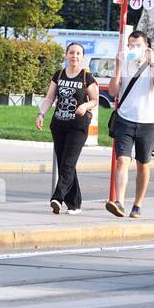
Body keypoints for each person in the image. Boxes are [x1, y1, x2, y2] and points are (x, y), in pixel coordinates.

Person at [106, 30, 154, 218]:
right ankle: (119, 202)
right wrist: (117, 68)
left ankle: (137, 205)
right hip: (125, 119)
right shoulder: (124, 63)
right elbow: (112, 91)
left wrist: (151, 63)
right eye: (131, 45)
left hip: (148, 122)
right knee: (122, 160)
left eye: (137, 45)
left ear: (146, 47)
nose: (133, 48)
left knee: (143, 164)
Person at [36, 42, 99, 211]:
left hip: (78, 126)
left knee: (68, 164)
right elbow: (49, 98)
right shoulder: (59, 75)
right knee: (66, 163)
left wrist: (85, 106)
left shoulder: (87, 77)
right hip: (59, 125)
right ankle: (75, 203)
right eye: (72, 53)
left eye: (78, 53)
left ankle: (58, 198)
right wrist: (41, 114)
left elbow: (95, 100)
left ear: (82, 57)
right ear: (66, 55)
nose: (75, 56)